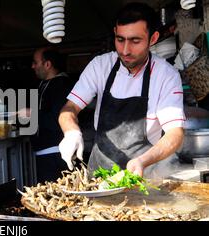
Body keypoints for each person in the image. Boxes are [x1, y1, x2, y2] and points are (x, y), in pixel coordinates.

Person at [58, 2, 185, 178]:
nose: (125, 50)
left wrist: (142, 161)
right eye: (120, 40)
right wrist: (71, 132)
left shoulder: (166, 75)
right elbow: (69, 108)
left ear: (153, 38)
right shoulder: (100, 66)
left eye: (135, 41)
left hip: (144, 177)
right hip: (99, 178)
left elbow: (175, 133)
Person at [21, 47, 73, 183]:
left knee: (58, 198)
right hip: (44, 153)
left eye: (35, 62)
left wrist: (31, 113)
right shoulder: (43, 84)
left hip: (56, 154)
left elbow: (57, 120)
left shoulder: (62, 85)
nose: (32, 66)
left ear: (47, 64)